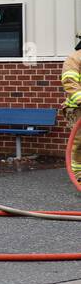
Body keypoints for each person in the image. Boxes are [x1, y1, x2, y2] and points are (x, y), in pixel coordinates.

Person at [62, 34, 81, 179]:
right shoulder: (74, 60)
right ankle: (78, 176)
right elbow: (70, 83)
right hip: (78, 109)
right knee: (80, 142)